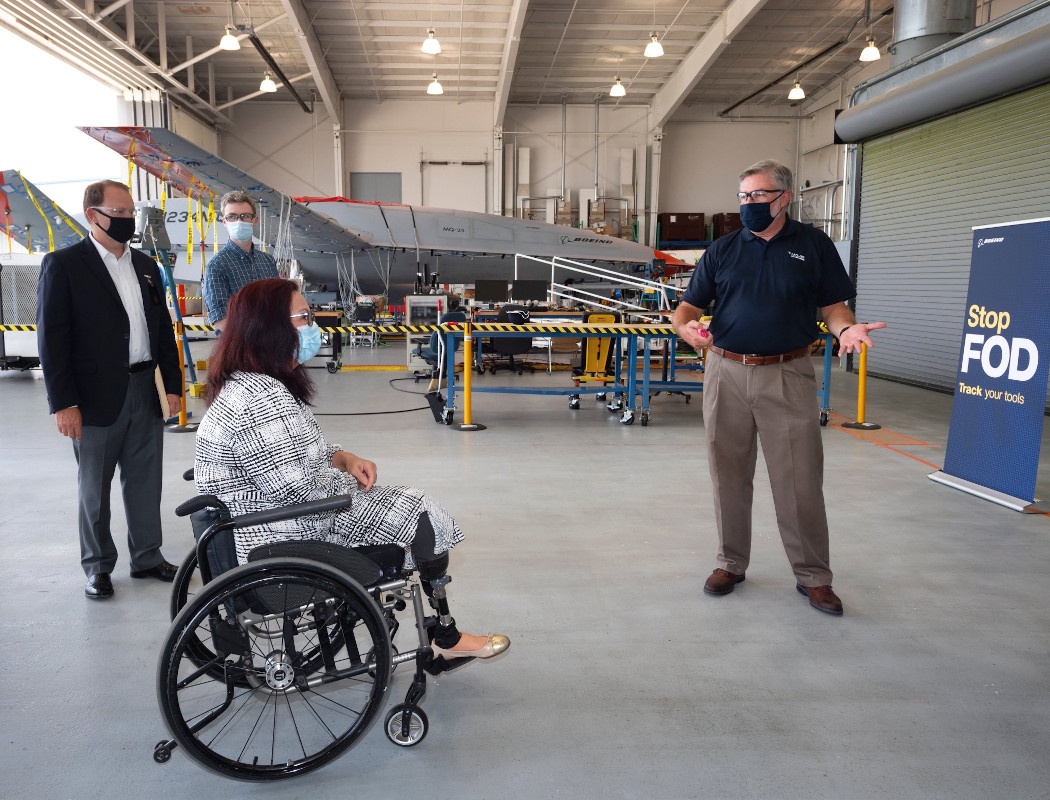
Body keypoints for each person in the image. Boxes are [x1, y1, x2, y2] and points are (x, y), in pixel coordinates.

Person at [193, 278, 510, 667]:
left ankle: (444, 631)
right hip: (285, 536)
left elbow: (300, 454)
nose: (314, 325)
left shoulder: (250, 384)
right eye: (304, 316)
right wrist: (349, 485)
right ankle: (446, 635)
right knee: (421, 512)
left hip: (266, 525)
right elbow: (299, 492)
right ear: (270, 326)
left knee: (404, 504)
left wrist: (344, 458)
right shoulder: (262, 400)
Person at [673, 160, 886, 616]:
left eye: (758, 195)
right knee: (727, 474)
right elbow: (687, 308)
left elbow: (833, 306)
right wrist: (687, 329)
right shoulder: (723, 249)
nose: (748, 203)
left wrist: (845, 328)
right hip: (726, 371)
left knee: (799, 480)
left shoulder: (813, 245)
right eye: (743, 196)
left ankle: (813, 576)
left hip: (787, 373)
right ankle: (730, 563)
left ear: (784, 198)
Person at [36, 179, 183, 600]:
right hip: (93, 397)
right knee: (94, 489)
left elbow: (161, 330)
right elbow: (52, 340)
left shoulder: (146, 266)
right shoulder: (64, 265)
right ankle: (98, 566)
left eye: (130, 213)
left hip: (144, 388)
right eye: (118, 213)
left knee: (145, 481)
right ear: (92, 215)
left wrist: (173, 386)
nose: (127, 220)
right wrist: (64, 403)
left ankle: (147, 556)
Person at [201, 191, 280, 331]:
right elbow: (220, 317)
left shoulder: (268, 261)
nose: (239, 221)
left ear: (254, 220)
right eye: (232, 217)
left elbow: (279, 303)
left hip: (272, 340)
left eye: (245, 216)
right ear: (224, 222)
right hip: (239, 342)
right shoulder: (217, 265)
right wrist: (251, 341)